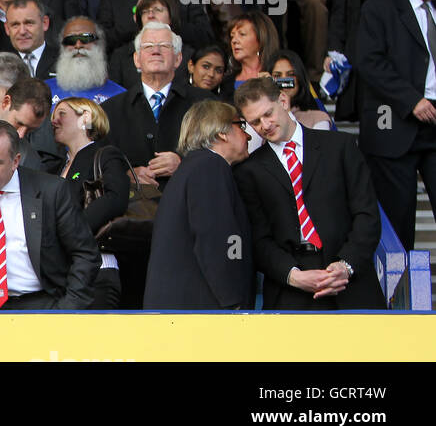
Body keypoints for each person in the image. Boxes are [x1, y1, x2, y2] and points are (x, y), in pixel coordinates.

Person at [233, 78, 386, 310]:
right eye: (255, 122)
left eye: (268, 114)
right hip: (290, 291)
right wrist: (294, 276)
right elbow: (258, 238)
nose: (264, 125)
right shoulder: (248, 171)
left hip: (351, 284)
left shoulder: (340, 146)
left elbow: (367, 214)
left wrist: (346, 265)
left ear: (283, 101)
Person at [0, 118, 101, 310]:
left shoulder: (52, 191)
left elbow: (85, 254)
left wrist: (68, 309)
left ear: (15, 161)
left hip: (43, 306)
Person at [353, 0, 436, 251]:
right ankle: (398, 299)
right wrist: (410, 99)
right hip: (396, 126)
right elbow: (369, 62)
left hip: (435, 122)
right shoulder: (380, 8)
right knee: (398, 224)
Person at [143, 100, 254, 309]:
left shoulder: (192, 168)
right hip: (202, 309)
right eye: (241, 126)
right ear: (222, 131)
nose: (248, 135)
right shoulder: (210, 166)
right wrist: (233, 300)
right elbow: (217, 240)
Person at [101, 22, 217, 189]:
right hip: (133, 208)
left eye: (164, 46)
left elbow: (222, 153)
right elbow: (99, 162)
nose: (156, 51)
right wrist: (126, 174)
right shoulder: (111, 110)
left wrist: (184, 163)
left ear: (178, 59)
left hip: (191, 203)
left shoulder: (205, 104)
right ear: (136, 60)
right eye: (148, 46)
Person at [51, 97, 128, 309]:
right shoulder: (56, 166)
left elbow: (115, 199)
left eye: (62, 114)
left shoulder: (105, 154)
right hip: (64, 273)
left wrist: (71, 233)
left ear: (85, 117)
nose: (54, 121)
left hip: (98, 271)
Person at [107, 0, 195, 88]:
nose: (150, 15)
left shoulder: (188, 54)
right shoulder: (120, 56)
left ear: (171, 16)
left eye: (157, 9)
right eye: (145, 11)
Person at [49, 17, 126, 104]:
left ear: (100, 44)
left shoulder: (120, 96)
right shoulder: (44, 92)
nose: (78, 45)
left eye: (86, 38)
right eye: (70, 40)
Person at [269, 51, 331, 130]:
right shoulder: (262, 120)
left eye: (291, 74)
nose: (284, 80)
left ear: (300, 78)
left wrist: (287, 111)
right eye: (277, 76)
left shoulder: (318, 118)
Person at [5, 0, 60, 81]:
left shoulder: (64, 60)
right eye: (15, 25)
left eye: (29, 23)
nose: (22, 31)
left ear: (45, 23)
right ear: (7, 28)